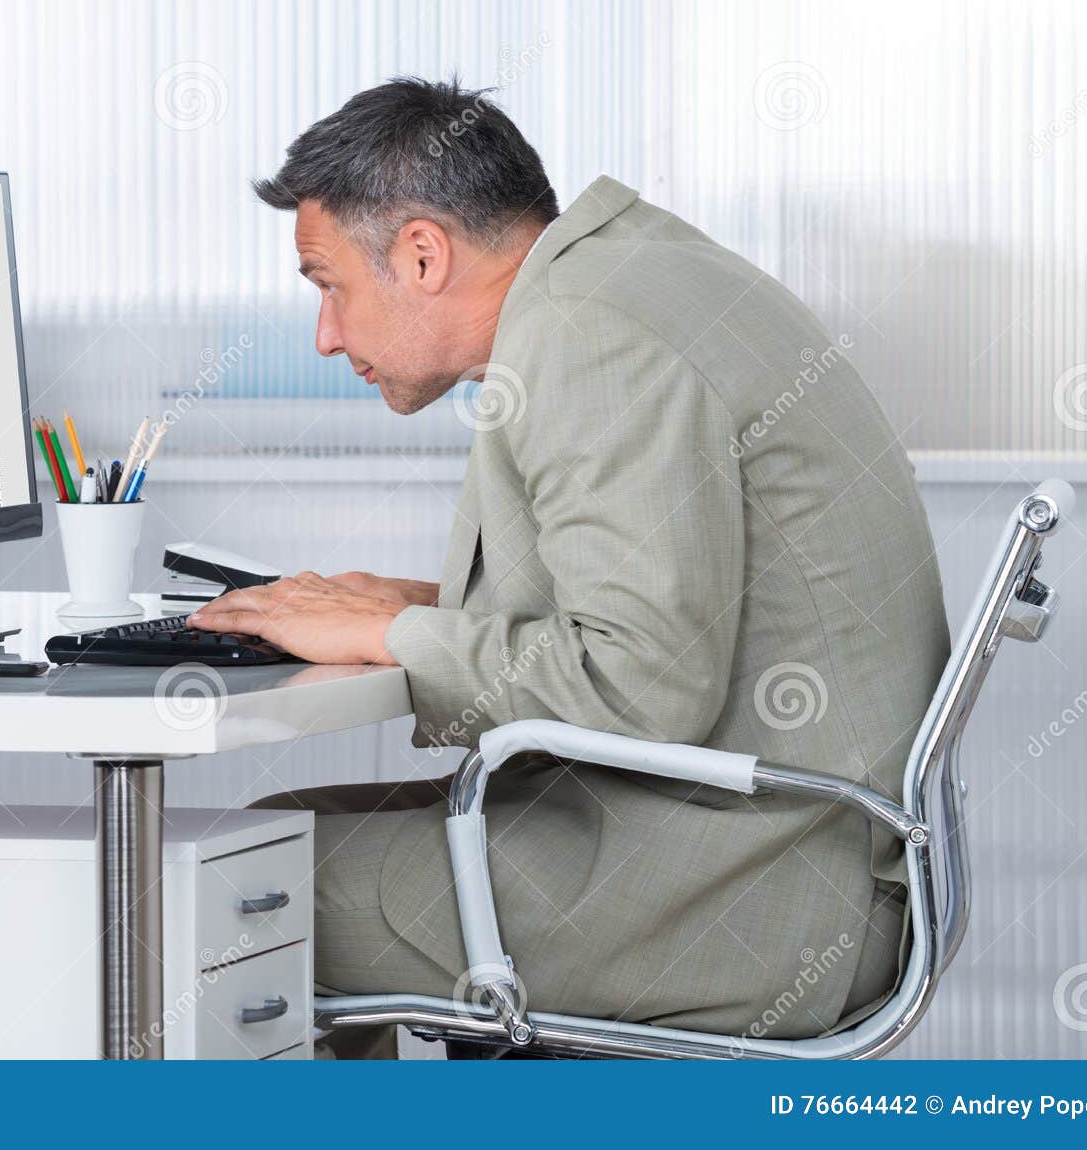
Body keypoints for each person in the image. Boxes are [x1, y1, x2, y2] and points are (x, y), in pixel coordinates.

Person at [188, 77, 949, 1058]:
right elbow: (673, 588)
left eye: (327, 285)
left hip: (743, 889)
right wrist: (416, 604)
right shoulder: (629, 275)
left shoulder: (590, 336)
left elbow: (640, 681)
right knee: (268, 839)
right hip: (787, 844)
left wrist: (386, 633)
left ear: (421, 254)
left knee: (227, 886)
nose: (325, 336)